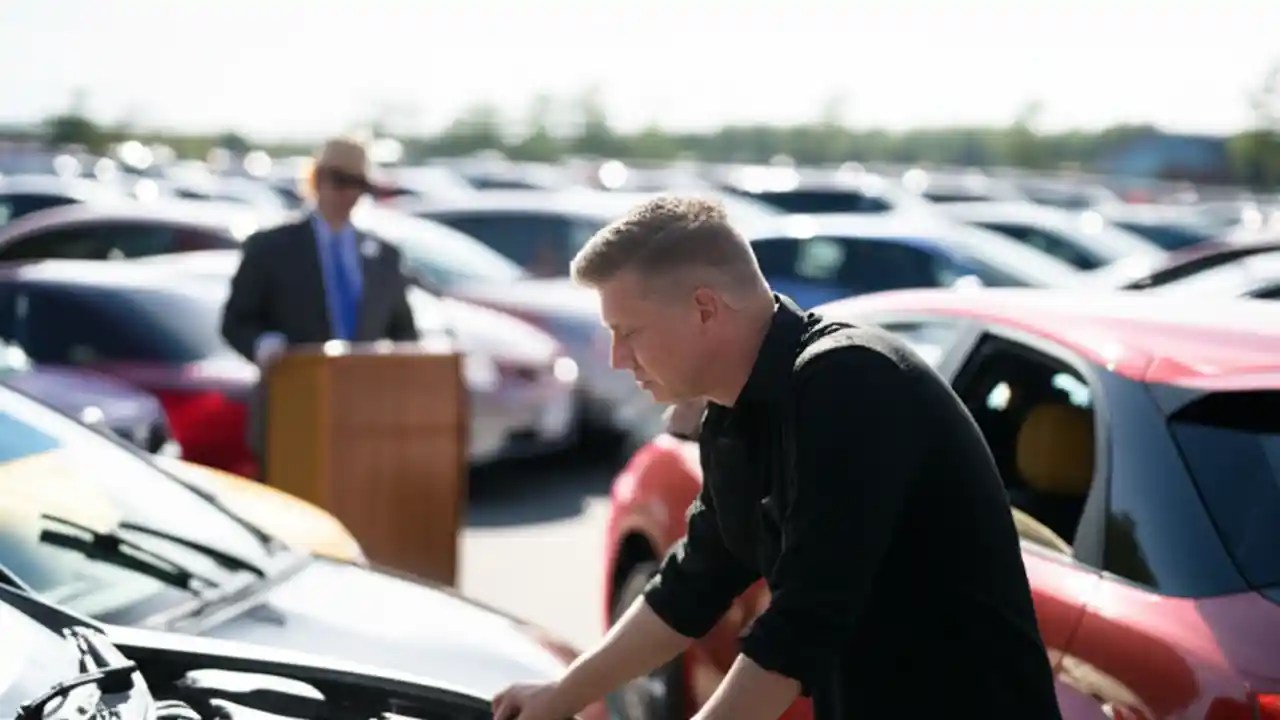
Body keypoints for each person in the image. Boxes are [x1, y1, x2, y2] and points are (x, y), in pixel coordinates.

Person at [491, 196, 1063, 720]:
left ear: (704, 308)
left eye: (629, 332)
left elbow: (801, 625)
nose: (618, 358)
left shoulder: (848, 381)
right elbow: (692, 585)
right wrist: (559, 697)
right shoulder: (734, 415)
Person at [221, 137, 418, 468]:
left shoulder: (382, 256)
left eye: (358, 184)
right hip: (293, 411)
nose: (347, 193)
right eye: (339, 181)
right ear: (317, 179)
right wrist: (262, 344)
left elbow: (404, 333)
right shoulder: (272, 248)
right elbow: (235, 321)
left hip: (361, 418)